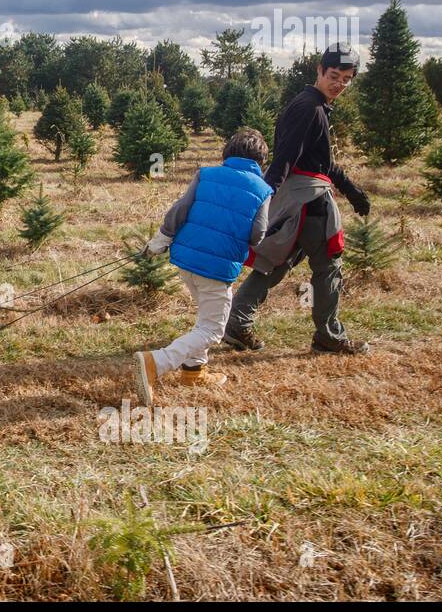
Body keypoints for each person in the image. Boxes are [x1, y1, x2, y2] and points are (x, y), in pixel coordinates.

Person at [223, 42, 371, 355]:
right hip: (309, 204)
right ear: (319, 70)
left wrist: (351, 189)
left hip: (301, 200)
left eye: (347, 78)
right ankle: (329, 335)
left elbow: (322, 161)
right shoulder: (310, 108)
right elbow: (286, 158)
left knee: (275, 262)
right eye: (334, 75)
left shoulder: (312, 105)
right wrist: (262, 196)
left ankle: (236, 322)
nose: (340, 84)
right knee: (327, 267)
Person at [133, 128, 273, 405]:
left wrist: (159, 242)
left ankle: (194, 371)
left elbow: (179, 210)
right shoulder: (263, 190)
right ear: (260, 162)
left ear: (227, 154)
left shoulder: (205, 174)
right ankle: (156, 363)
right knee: (213, 329)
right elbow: (258, 234)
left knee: (206, 318)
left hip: (185, 260)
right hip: (216, 268)